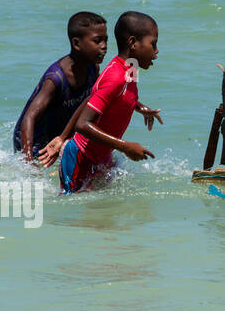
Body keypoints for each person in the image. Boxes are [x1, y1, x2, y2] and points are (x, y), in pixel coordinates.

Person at [58, 11, 163, 193]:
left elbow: (122, 96)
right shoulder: (115, 77)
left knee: (104, 215)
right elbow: (83, 124)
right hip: (80, 158)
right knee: (73, 212)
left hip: (102, 158)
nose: (156, 51)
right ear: (133, 43)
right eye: (152, 44)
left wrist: (140, 107)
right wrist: (125, 146)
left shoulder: (131, 67)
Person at [13, 12, 108, 161]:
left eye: (105, 40)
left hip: (58, 136)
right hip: (33, 140)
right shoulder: (56, 78)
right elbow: (29, 117)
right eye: (97, 41)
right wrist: (28, 162)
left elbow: (98, 97)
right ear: (76, 44)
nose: (104, 47)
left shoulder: (93, 68)